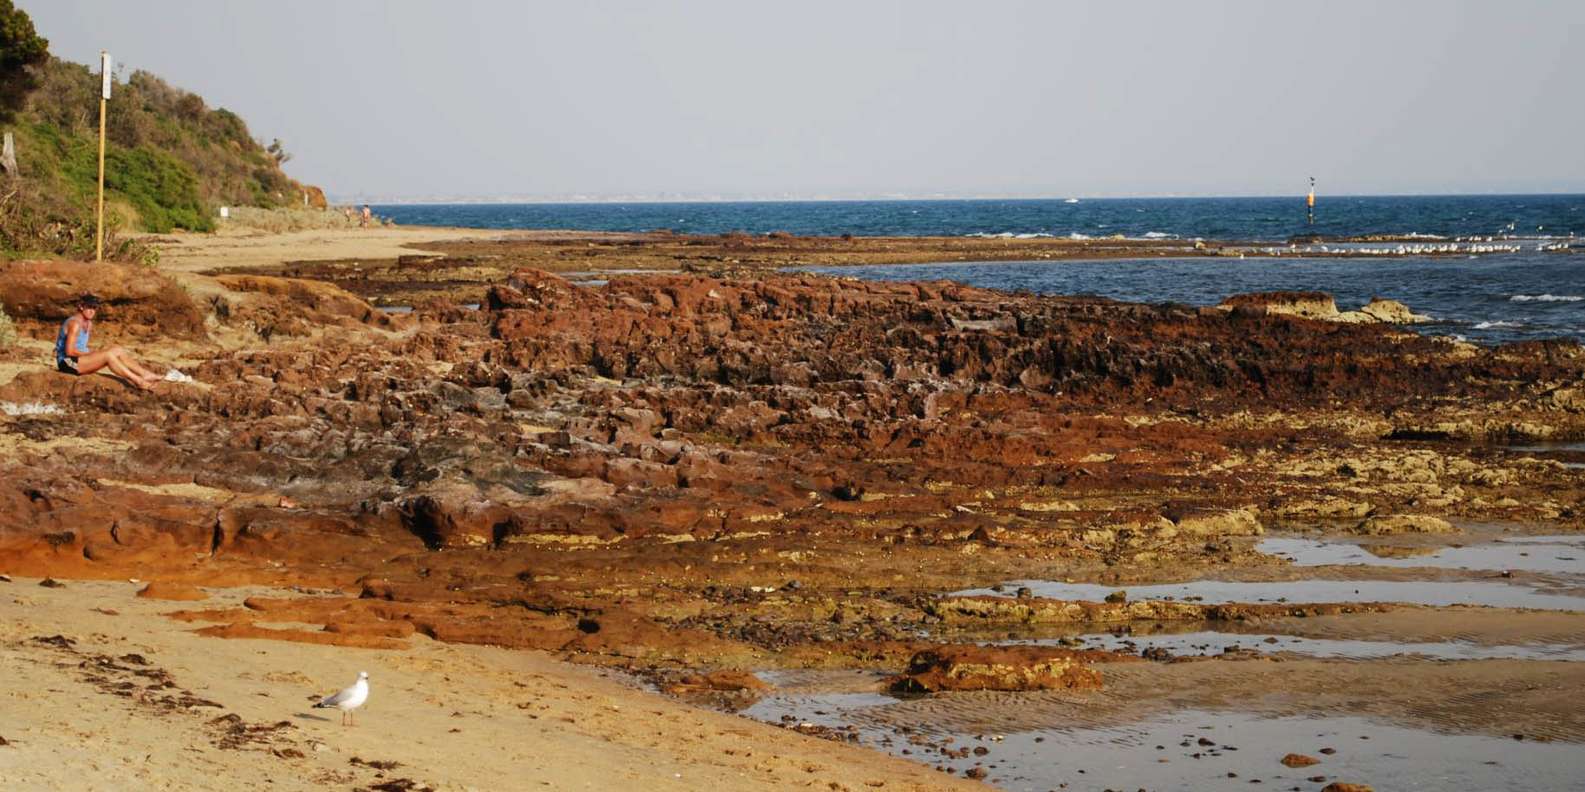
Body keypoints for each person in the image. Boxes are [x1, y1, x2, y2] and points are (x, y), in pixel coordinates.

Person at [55, 293, 160, 390]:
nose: (92, 311)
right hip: (67, 363)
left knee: (117, 349)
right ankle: (139, 381)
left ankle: (145, 374)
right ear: (81, 307)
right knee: (107, 355)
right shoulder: (75, 324)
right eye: (89, 307)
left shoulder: (88, 323)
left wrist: (92, 353)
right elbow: (69, 351)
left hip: (80, 359)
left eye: (94, 308)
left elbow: (81, 346)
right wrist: (92, 353)